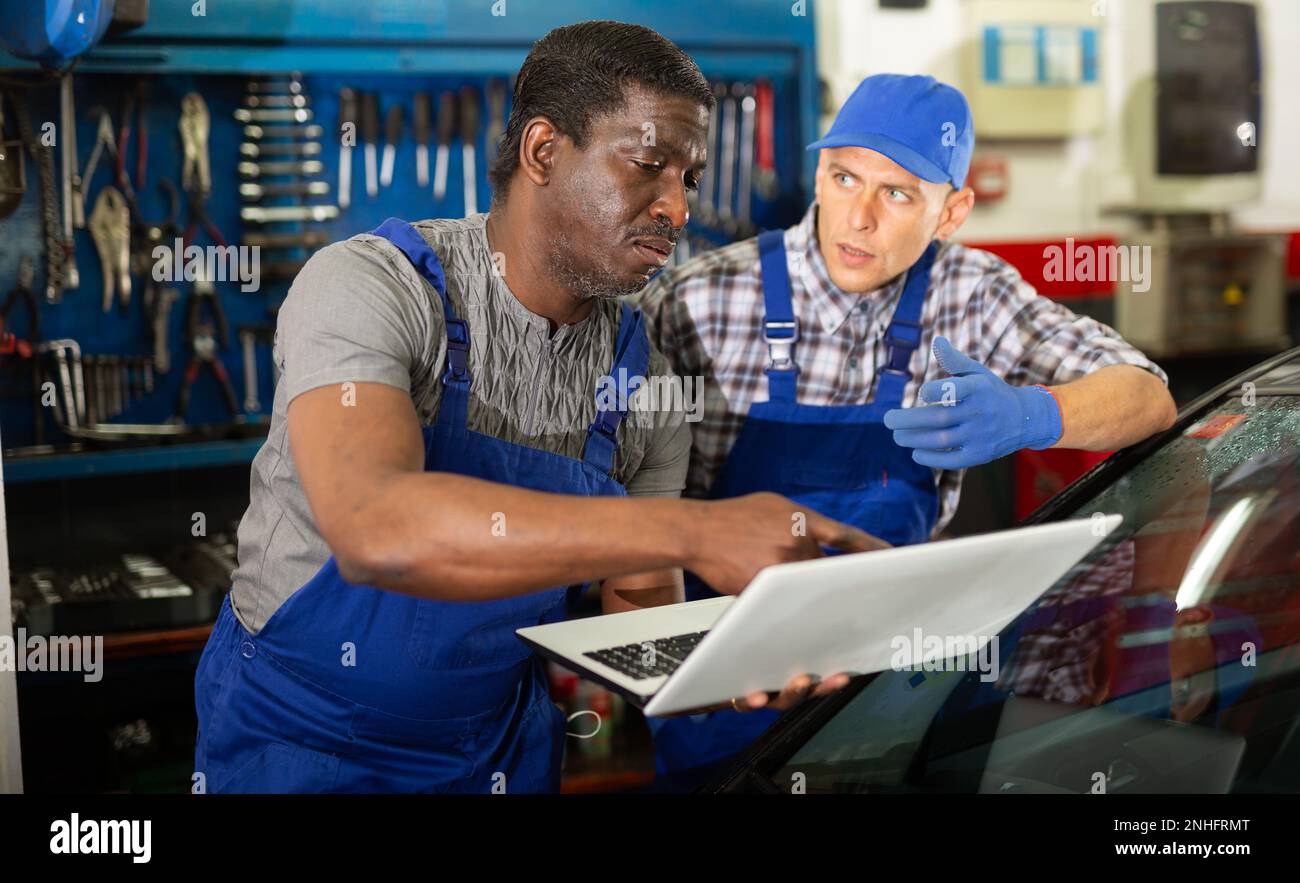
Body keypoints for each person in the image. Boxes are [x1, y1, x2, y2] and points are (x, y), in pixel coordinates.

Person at [192, 21, 879, 795]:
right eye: (650, 166)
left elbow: (640, 622)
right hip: (301, 743)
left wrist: (752, 662)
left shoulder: (645, 379)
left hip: (493, 754)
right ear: (544, 151)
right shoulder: (370, 287)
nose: (678, 211)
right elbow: (374, 526)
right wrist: (701, 529)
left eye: (688, 180)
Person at [637, 73, 1177, 784]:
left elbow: (1150, 398)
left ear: (951, 213)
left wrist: (1035, 414)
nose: (858, 217)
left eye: (897, 194)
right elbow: (640, 519)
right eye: (844, 176)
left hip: (889, 692)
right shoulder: (697, 301)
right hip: (731, 692)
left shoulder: (973, 293)